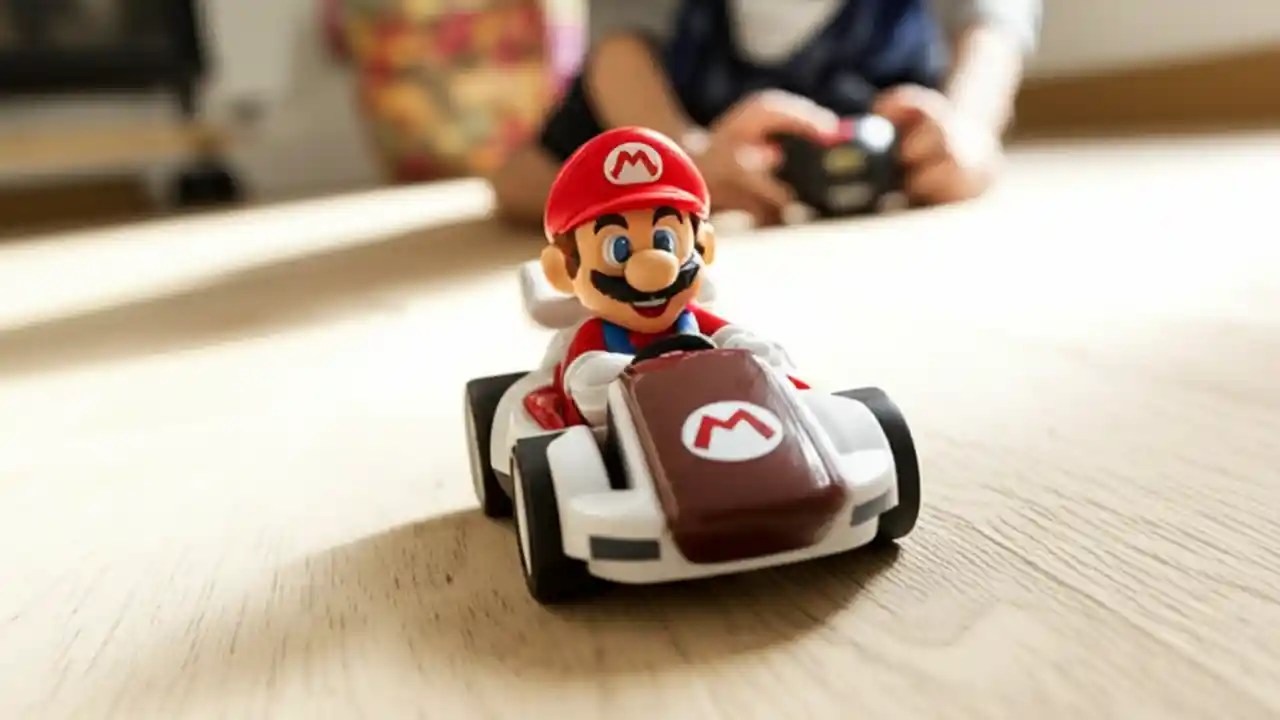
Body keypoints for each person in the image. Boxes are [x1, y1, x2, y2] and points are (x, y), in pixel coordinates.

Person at [490, 0, 1041, 227]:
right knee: (530, 181)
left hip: (878, 77)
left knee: (940, 147)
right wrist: (683, 158)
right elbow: (620, 37)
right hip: (676, 89)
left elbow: (992, 18)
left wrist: (971, 127)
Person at [541, 125, 802, 427]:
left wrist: (751, 354)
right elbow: (587, 384)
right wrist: (622, 378)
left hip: (708, 416)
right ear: (561, 270)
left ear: (703, 248)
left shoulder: (693, 320)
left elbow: (738, 341)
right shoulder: (595, 337)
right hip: (629, 433)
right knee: (573, 456)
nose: (653, 270)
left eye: (666, 241)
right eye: (619, 249)